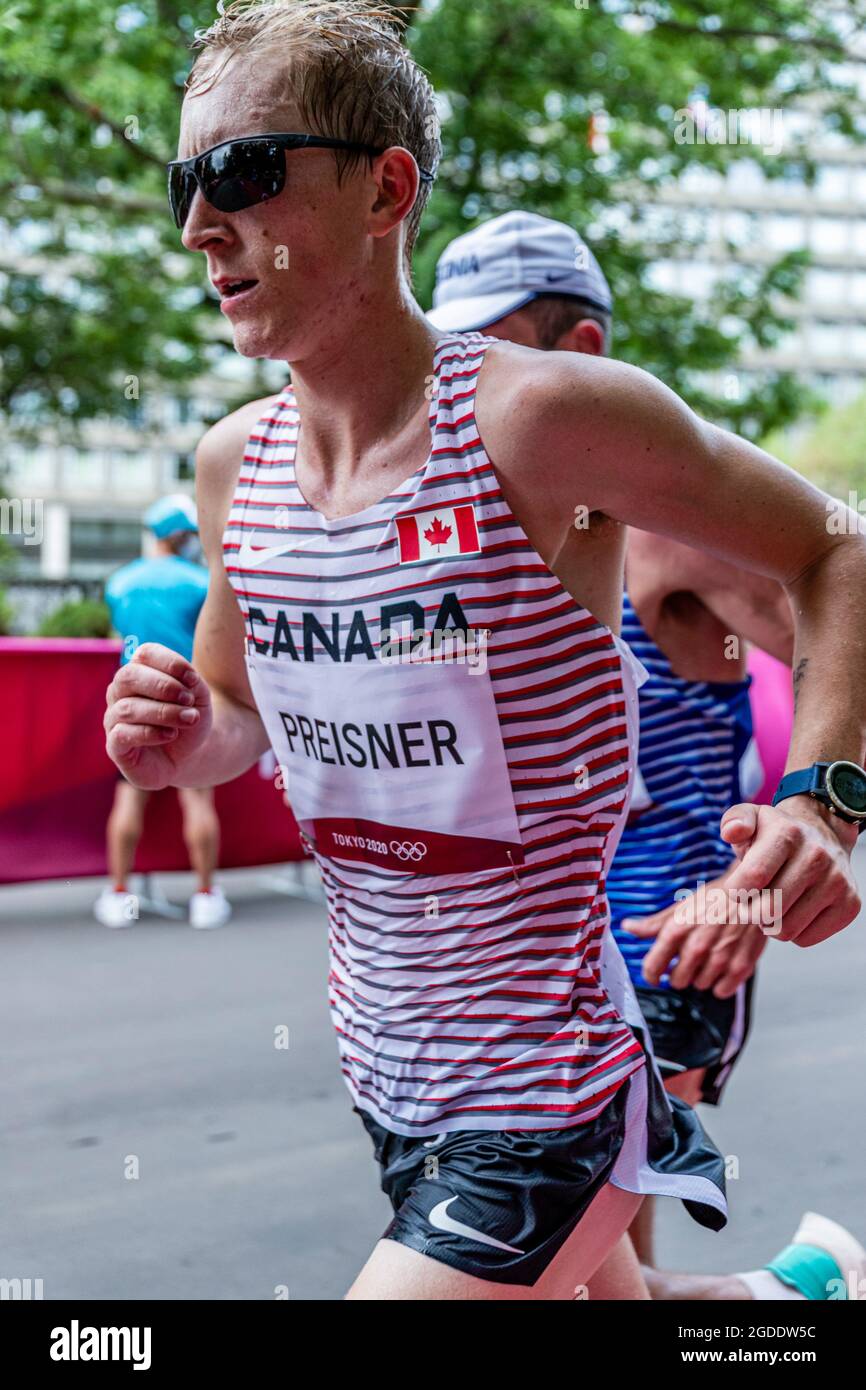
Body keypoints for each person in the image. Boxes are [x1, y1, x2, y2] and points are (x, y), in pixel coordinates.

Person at [104, 2, 866, 1301]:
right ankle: (797, 1293)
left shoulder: (537, 420)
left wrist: (828, 799)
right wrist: (189, 735)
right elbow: (233, 712)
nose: (196, 226)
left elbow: (835, 548)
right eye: (185, 181)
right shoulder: (235, 463)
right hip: (390, 1073)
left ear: (384, 189)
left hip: (551, 1083)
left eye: (240, 173)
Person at [428, 208, 866, 1300]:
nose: (463, 377)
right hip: (532, 962)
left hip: (668, 935)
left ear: (579, 353)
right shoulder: (489, 518)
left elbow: (841, 626)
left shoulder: (662, 523)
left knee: (570, 1269)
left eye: (491, 347)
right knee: (586, 1284)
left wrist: (803, 827)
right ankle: (801, 1290)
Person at [95, 494, 231, 930]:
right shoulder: (200, 582)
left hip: (133, 702)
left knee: (129, 797)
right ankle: (205, 897)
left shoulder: (119, 582)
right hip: (185, 699)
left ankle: (119, 894)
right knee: (198, 797)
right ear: (180, 535)